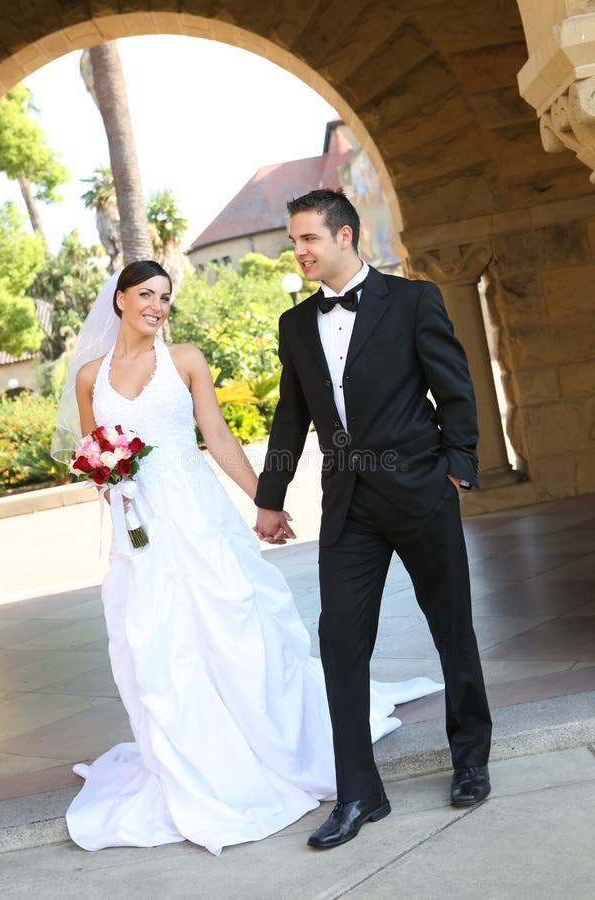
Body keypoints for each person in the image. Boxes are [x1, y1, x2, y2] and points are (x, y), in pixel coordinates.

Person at [51, 259, 442, 855]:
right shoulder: (88, 376)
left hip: (198, 519)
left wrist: (265, 500)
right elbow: (91, 452)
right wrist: (109, 478)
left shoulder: (185, 361)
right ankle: (193, 764)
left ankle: (264, 747)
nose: (158, 306)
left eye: (166, 297)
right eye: (148, 295)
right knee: (158, 643)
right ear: (121, 300)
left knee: (233, 627)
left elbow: (219, 436)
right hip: (140, 530)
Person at [255, 189, 492, 851]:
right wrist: (270, 495)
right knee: (340, 643)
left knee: (452, 628)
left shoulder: (413, 301)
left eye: (309, 238)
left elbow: (455, 385)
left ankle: (470, 758)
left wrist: (459, 464)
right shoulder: (296, 325)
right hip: (347, 500)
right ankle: (360, 790)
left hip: (420, 486)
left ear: (346, 236)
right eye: (295, 239)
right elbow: (290, 416)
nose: (299, 250)